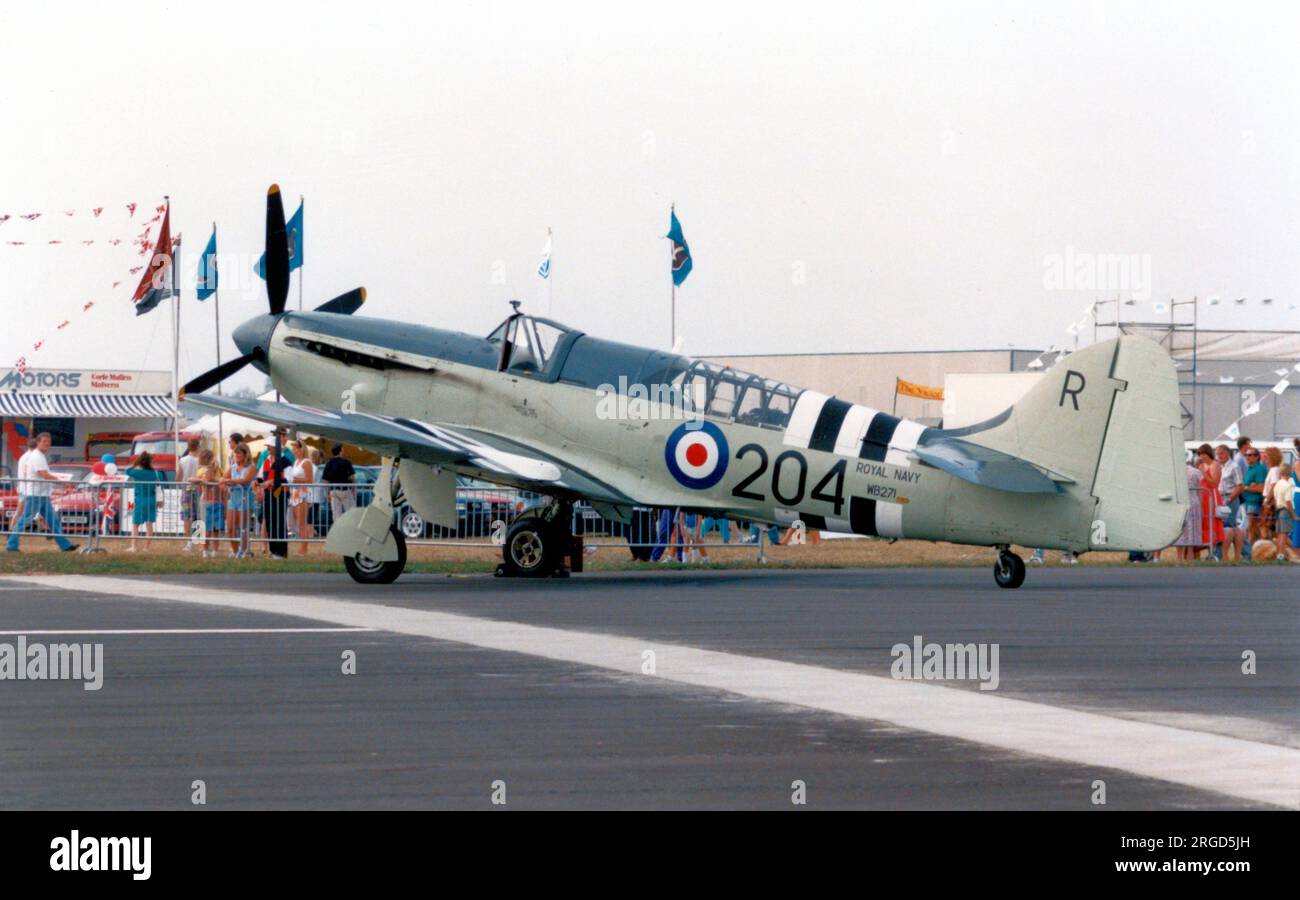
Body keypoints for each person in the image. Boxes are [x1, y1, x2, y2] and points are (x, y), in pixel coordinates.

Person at [5, 432, 77, 553]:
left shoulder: (39, 455)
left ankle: (65, 545)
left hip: (41, 494)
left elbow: (44, 474)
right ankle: (11, 545)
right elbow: (43, 474)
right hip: (35, 494)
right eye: (44, 441)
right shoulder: (37, 456)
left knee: (53, 521)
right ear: (38, 442)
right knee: (25, 520)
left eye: (48, 442)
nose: (47, 444)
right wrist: (62, 482)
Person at [124, 451, 164, 552]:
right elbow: (161, 482)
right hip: (152, 499)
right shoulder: (156, 473)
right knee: (149, 524)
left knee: (135, 524)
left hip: (141, 499)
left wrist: (136, 466)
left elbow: (127, 471)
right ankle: (146, 548)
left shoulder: (137, 472)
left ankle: (134, 547)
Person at [223, 443, 257, 557]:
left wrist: (231, 481)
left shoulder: (251, 467)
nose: (236, 455)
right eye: (235, 453)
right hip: (233, 499)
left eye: (239, 452)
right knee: (231, 528)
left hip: (245, 498)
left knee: (243, 528)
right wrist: (223, 482)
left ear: (245, 454)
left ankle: (244, 550)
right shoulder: (233, 466)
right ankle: (235, 550)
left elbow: (245, 480)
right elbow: (224, 478)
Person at [258, 441, 291, 559]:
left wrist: (271, 482)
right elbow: (261, 476)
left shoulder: (285, 462)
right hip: (268, 495)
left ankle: (281, 551)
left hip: (280, 495)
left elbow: (288, 480)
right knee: (271, 523)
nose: (268, 449)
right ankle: (274, 550)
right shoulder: (266, 460)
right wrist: (257, 482)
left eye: (269, 447)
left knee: (280, 522)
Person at [191, 448, 225, 558]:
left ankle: (212, 549)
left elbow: (222, 483)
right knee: (206, 528)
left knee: (214, 529)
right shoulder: (203, 471)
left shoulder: (217, 471)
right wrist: (202, 481)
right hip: (207, 502)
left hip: (215, 502)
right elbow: (193, 479)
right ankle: (205, 549)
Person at [1194, 443, 1225, 559]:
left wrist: (1203, 473)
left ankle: (1214, 552)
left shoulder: (1215, 465)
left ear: (1208, 454)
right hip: (1203, 498)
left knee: (1212, 523)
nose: (1201, 457)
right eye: (1200, 455)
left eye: (1203, 454)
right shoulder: (1202, 465)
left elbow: (1214, 483)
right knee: (1204, 523)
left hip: (1211, 496)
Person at [1214, 444, 1243, 562]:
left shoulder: (1234, 467)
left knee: (1228, 527)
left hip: (1230, 499)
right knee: (1227, 528)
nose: (1219, 456)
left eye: (1221, 453)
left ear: (1227, 453)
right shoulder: (1219, 467)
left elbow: (1240, 486)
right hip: (1220, 499)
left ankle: (1221, 555)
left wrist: (1229, 499)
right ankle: (1238, 555)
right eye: (1217, 453)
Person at [287, 439, 315, 555]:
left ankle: (304, 549)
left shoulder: (306, 462)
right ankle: (302, 547)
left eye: (295, 449)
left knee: (302, 523)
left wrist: (295, 480)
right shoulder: (296, 462)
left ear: (301, 449)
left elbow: (310, 479)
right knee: (298, 523)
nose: (294, 451)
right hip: (295, 493)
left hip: (302, 493)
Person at [321, 443, 356, 527]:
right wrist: (353, 490)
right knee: (351, 513)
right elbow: (352, 478)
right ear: (340, 451)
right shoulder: (347, 462)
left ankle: (337, 532)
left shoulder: (329, 463)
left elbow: (325, 480)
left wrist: (328, 492)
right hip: (345, 489)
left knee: (336, 514)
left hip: (334, 490)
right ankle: (350, 531)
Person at [1240, 447, 1268, 546]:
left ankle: (1250, 553)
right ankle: (1260, 548)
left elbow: (1261, 488)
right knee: (1253, 528)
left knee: (1251, 527)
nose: (1247, 457)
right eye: (1246, 455)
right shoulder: (1250, 468)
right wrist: (1249, 486)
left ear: (1257, 457)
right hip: (1247, 502)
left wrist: (1246, 488)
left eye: (1250, 455)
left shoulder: (1260, 469)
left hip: (1254, 502)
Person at [178, 436, 202, 551]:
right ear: (198, 446)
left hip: (186, 489)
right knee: (199, 515)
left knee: (187, 517)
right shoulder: (201, 461)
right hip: (199, 489)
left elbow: (178, 477)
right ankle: (198, 540)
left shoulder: (182, 460)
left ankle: (189, 543)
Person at [1271, 462, 1297, 562]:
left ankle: (1279, 553)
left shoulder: (1277, 484)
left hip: (1278, 510)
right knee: (1284, 535)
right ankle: (1281, 555)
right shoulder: (1287, 485)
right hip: (1285, 511)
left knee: (1280, 534)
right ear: (1290, 472)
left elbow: (1275, 498)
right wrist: (1293, 515)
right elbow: (1288, 501)